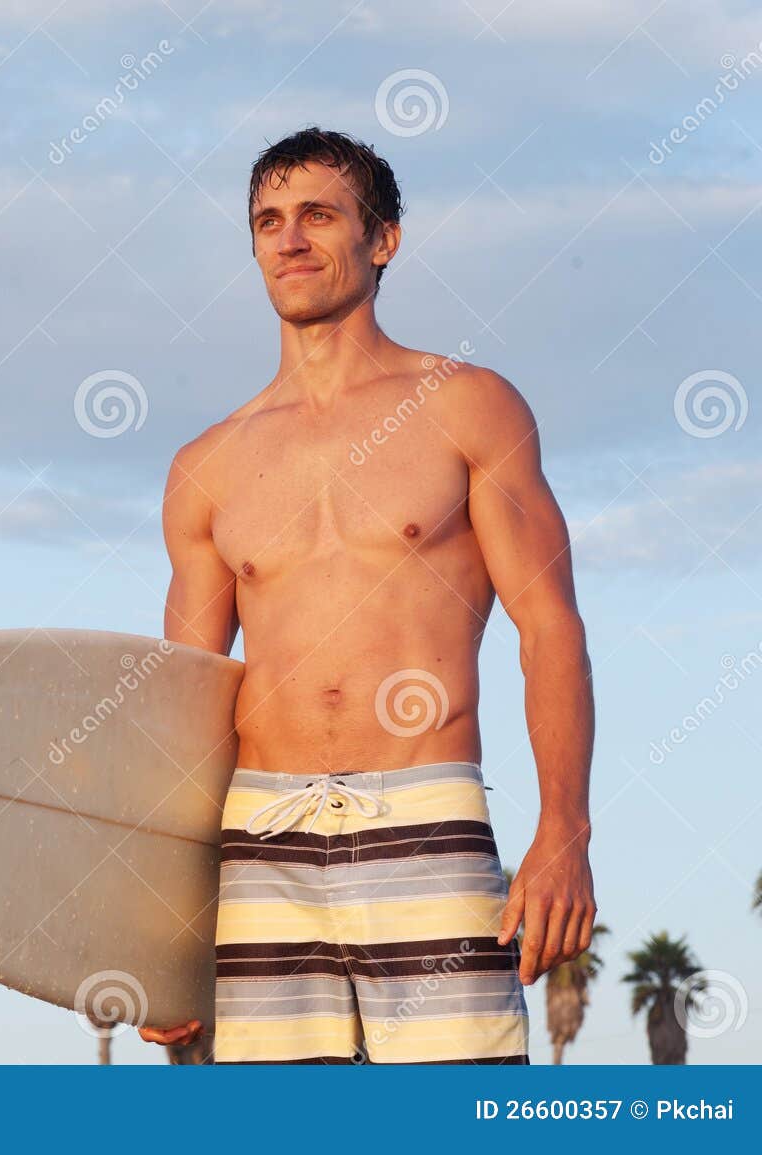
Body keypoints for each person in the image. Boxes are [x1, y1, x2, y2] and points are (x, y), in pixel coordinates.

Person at [140, 127, 595, 1064]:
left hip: (424, 812)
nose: (289, 239)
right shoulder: (207, 466)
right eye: (268, 221)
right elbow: (182, 701)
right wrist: (155, 926)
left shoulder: (467, 405)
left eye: (317, 214)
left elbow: (549, 627)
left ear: (382, 238)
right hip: (261, 838)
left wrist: (564, 831)